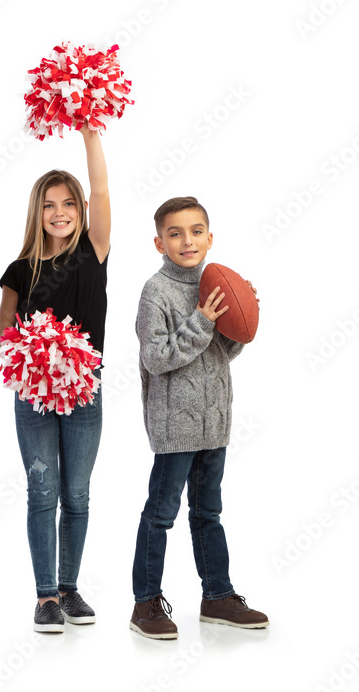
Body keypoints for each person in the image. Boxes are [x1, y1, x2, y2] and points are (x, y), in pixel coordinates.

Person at [129, 196, 269, 640]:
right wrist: (201, 320)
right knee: (160, 514)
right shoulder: (157, 291)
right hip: (176, 427)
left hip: (215, 423)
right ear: (159, 242)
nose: (186, 241)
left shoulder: (214, 285)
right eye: (175, 233)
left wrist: (240, 321)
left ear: (210, 237)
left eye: (195, 231)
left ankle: (217, 596)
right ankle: (146, 603)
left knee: (208, 512)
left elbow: (219, 354)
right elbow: (156, 358)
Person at [0, 129, 111, 633]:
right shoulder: (20, 270)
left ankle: (70, 587)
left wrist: (90, 133)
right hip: (35, 398)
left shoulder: (93, 250)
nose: (59, 212)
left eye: (68, 203)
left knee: (77, 494)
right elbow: (3, 334)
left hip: (85, 393)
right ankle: (45, 597)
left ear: (81, 210)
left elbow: (103, 191)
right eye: (48, 205)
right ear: (36, 212)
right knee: (41, 492)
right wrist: (32, 355)